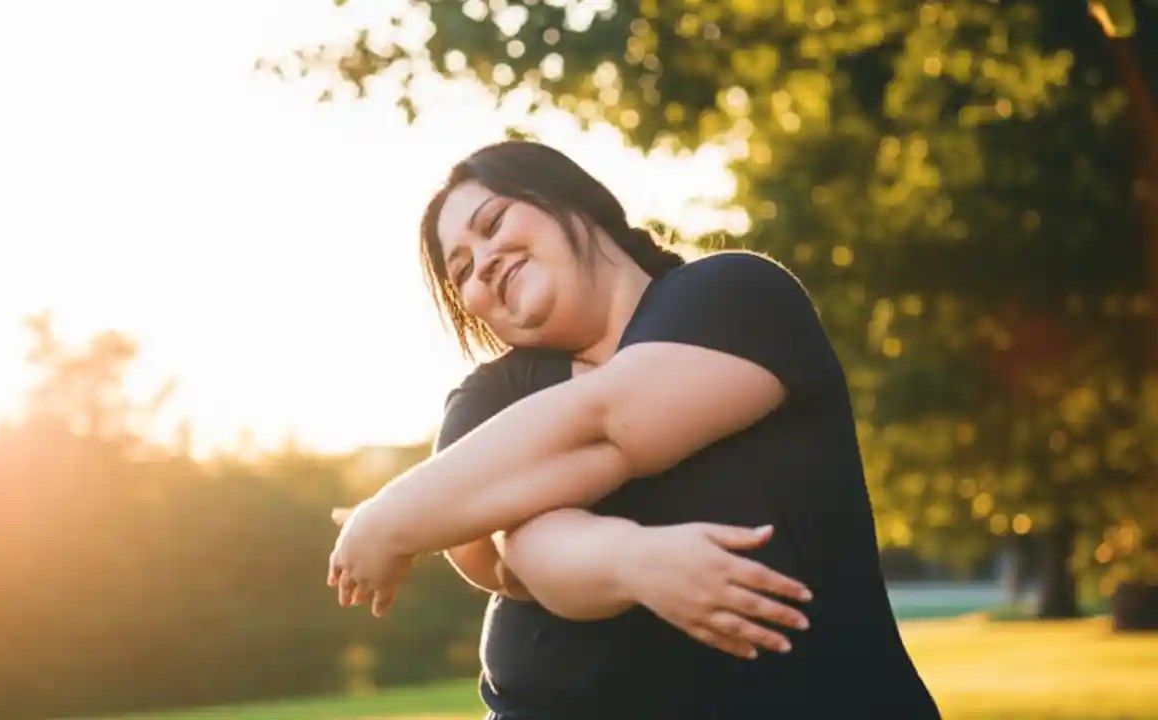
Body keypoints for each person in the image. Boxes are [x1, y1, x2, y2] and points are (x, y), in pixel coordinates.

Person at [328, 141, 940, 718]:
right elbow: (505, 553)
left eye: (493, 224)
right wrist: (635, 561)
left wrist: (385, 518)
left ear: (576, 203)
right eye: (460, 271)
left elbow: (607, 427)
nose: (482, 264)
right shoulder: (491, 395)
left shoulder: (735, 296)